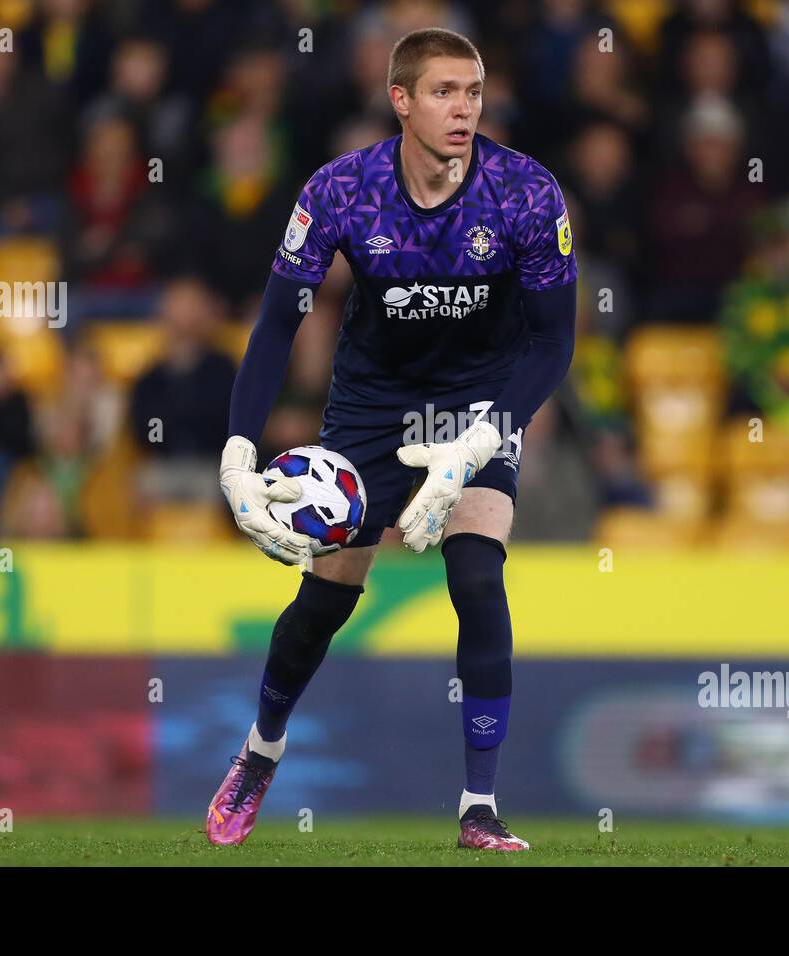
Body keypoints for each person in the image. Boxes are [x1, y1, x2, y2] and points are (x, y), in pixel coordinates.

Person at [210, 28, 577, 852]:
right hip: (373, 402)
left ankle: (478, 807)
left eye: (475, 91)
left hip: (477, 401)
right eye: (445, 92)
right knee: (328, 598)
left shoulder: (525, 193)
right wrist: (239, 451)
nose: (465, 108)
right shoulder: (343, 190)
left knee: (478, 575)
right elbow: (276, 324)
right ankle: (259, 753)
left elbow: (554, 343)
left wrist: (483, 438)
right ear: (401, 101)